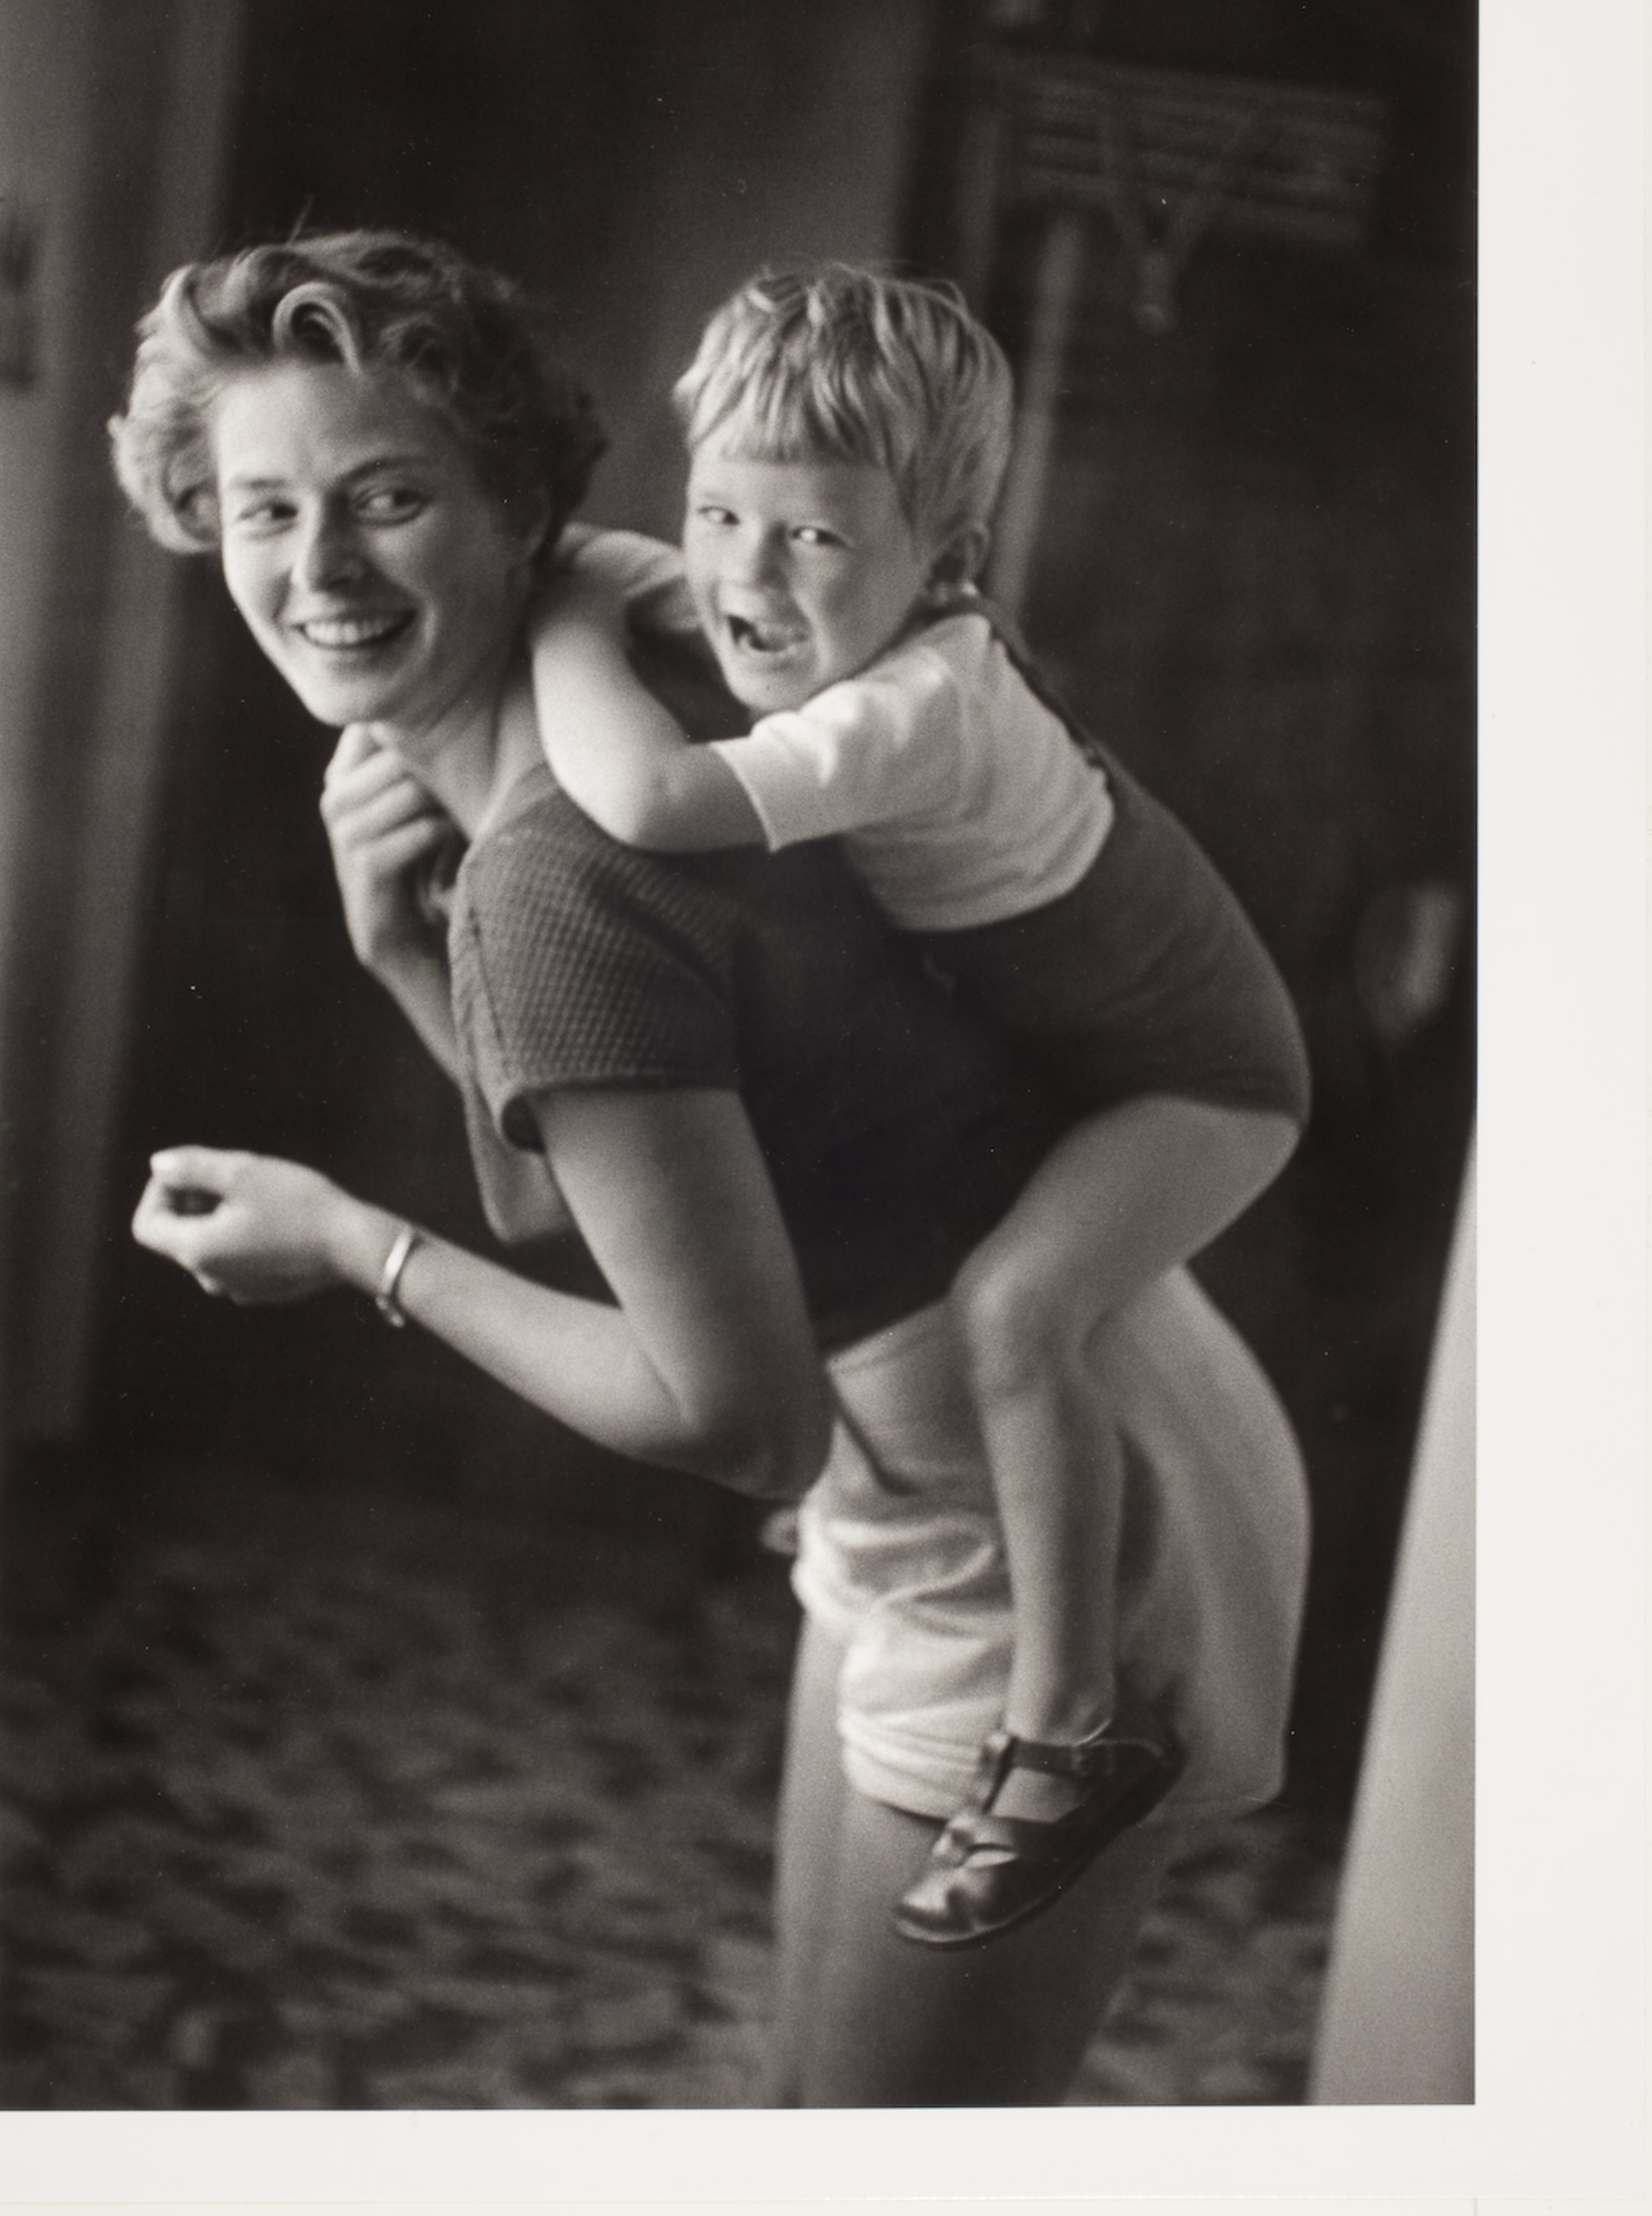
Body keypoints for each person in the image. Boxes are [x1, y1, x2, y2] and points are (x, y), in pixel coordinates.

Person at [114, 229, 1310, 2105]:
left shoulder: (559, 860)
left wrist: (357, 1245)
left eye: (387, 498)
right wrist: (412, 960)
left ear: (519, 509)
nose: (316, 572)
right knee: (815, 2112)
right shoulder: (670, 665)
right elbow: (632, 1202)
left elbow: (724, 1413)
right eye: (259, 509)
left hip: (1037, 1522)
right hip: (959, 1471)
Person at [529, 264, 1311, 1946]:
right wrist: (676, 576)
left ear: (942, 562)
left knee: (1014, 1310)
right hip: (1085, 1043)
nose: (744, 569)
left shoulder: (917, 707)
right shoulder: (846, 629)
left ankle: (1062, 1730)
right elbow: (711, 605)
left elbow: (649, 800)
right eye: (718, 507)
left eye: (811, 536)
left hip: (1206, 1084)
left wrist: (560, 616)